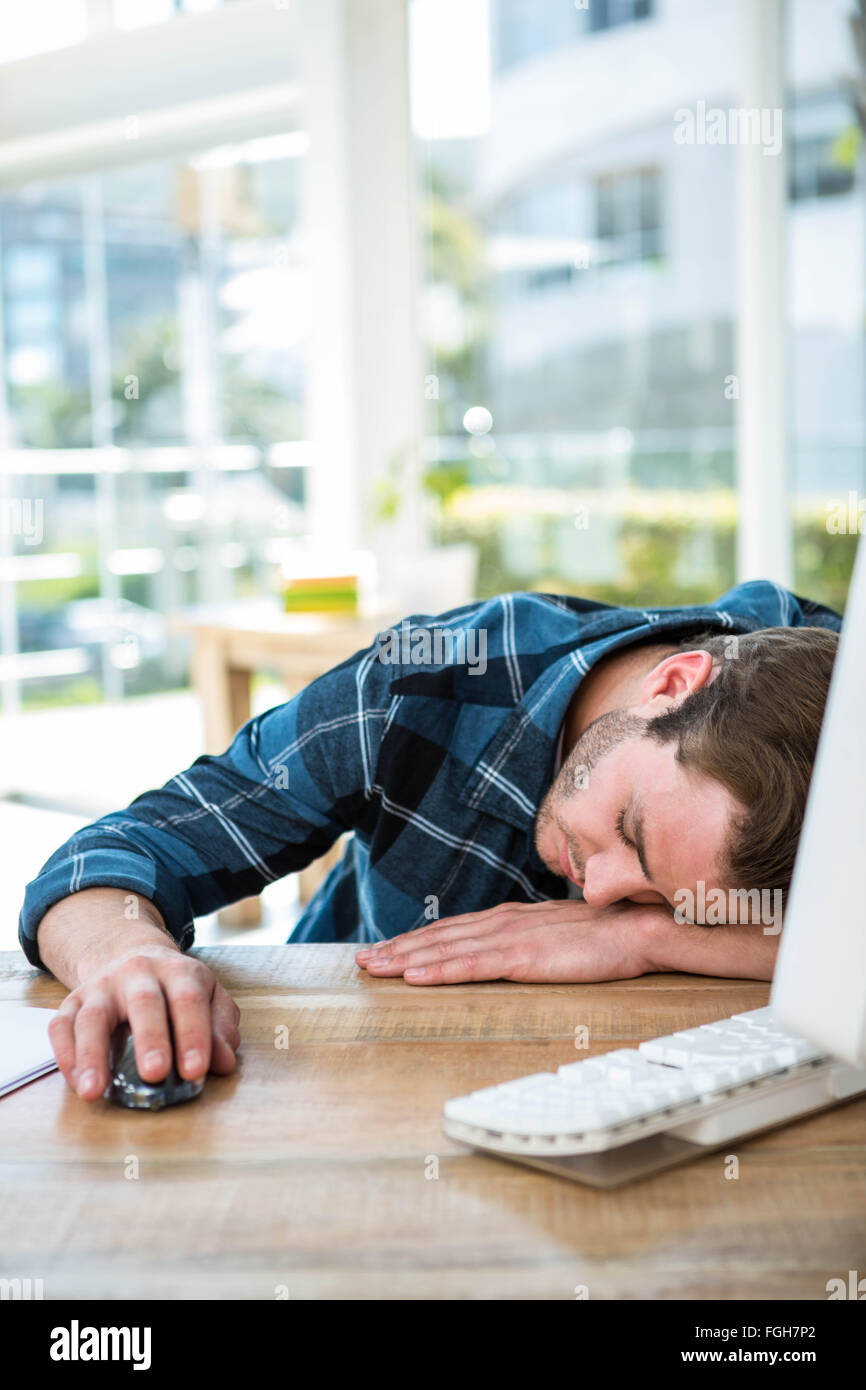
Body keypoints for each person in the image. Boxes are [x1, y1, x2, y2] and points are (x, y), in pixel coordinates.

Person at [19, 581, 840, 1103]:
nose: (598, 893)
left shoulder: (841, 706)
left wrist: (645, 938)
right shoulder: (424, 682)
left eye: (671, 899)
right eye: (629, 832)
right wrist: (123, 954)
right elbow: (123, 853)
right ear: (674, 682)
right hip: (359, 1100)